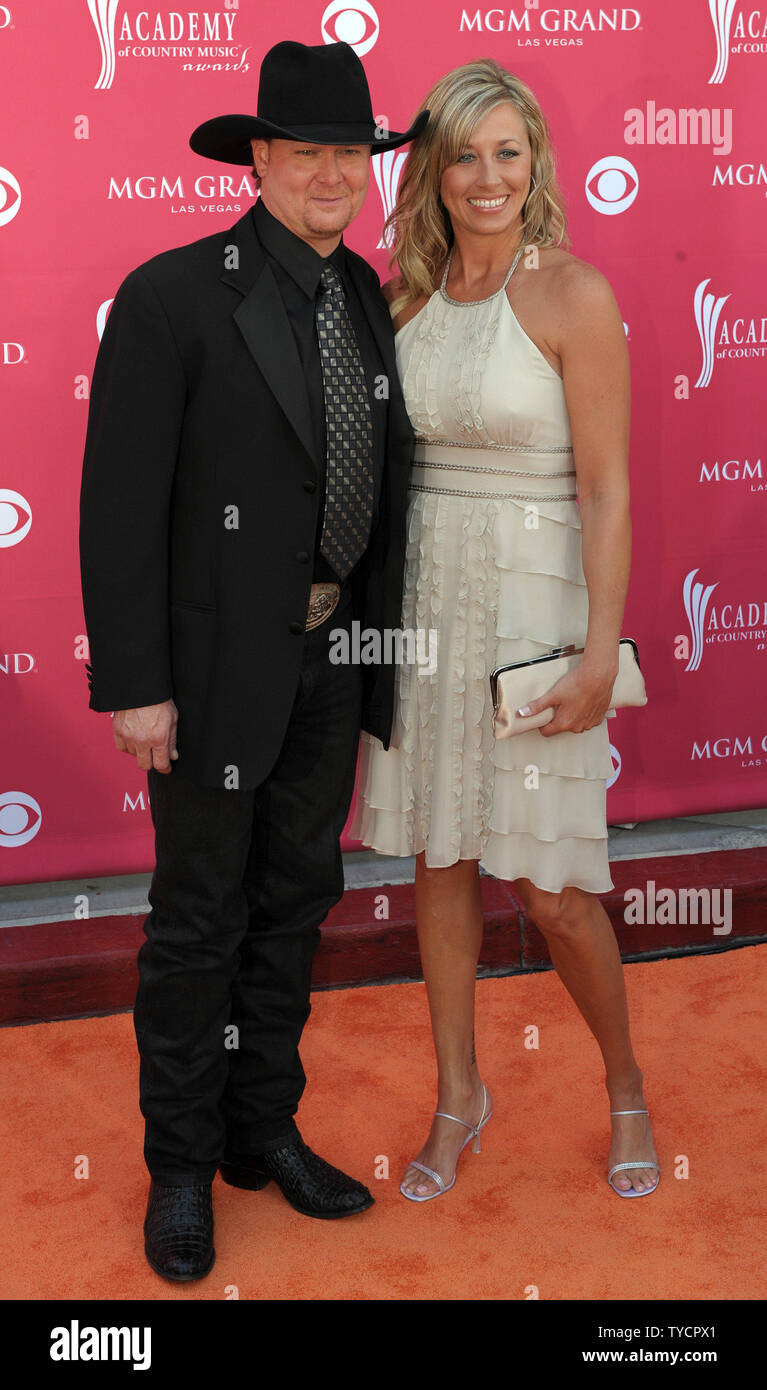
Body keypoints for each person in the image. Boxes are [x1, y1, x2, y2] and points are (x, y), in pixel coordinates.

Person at [78, 39, 427, 1281]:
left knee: (296, 907)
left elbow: (378, 491)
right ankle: (179, 1163)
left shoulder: (363, 297)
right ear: (262, 157)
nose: (334, 174)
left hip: (332, 659)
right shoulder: (173, 295)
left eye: (353, 153)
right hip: (214, 673)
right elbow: (119, 508)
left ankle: (258, 1128)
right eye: (311, 151)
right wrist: (134, 683)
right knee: (196, 922)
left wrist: (378, 656)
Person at [350, 58, 660, 1203]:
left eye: (506, 153)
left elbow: (608, 493)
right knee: (440, 858)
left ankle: (623, 1083)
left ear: (534, 166)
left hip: (536, 614)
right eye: (463, 154)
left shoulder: (572, 295)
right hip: (427, 612)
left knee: (550, 891)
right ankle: (456, 1096)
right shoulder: (404, 299)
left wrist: (597, 655)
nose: (484, 177)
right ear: (432, 170)